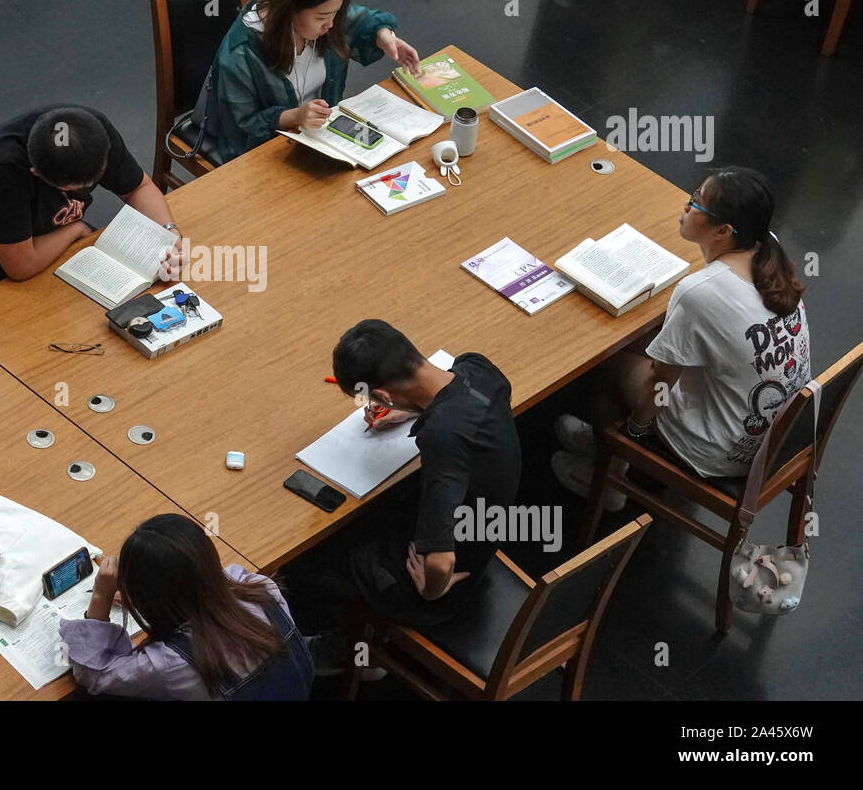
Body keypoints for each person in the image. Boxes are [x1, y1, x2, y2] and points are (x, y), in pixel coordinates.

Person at [553, 166, 811, 497]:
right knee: (659, 336)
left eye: (696, 202)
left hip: (720, 451)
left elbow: (659, 382)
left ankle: (607, 472)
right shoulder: (769, 251)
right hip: (772, 441)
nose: (687, 206)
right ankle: (608, 456)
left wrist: (636, 431)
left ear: (723, 232)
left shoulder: (700, 292)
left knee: (611, 359)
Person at [286, 321, 523, 643]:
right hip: (486, 528)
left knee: (303, 559)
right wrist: (413, 408)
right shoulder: (476, 367)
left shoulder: (443, 439)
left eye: (379, 400)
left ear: (382, 394)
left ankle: (344, 650)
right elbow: (465, 407)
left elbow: (441, 561)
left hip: (438, 589)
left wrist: (430, 590)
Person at [0, 105, 183, 311]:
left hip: (44, 245)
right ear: (37, 173)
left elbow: (138, 188)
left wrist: (169, 235)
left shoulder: (91, 132)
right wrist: (75, 228)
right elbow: (20, 267)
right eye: (73, 188)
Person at [58, 514, 314, 700]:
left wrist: (101, 596)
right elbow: (212, 578)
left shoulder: (173, 663)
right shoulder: (261, 588)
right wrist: (148, 588)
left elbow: (94, 675)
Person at [204, 0, 420, 164]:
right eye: (321, 17)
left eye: (335, 13)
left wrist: (383, 35)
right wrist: (295, 116)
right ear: (290, 9)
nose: (331, 25)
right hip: (267, 149)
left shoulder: (323, 17)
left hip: (318, 135)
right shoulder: (240, 54)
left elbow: (361, 20)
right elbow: (241, 127)